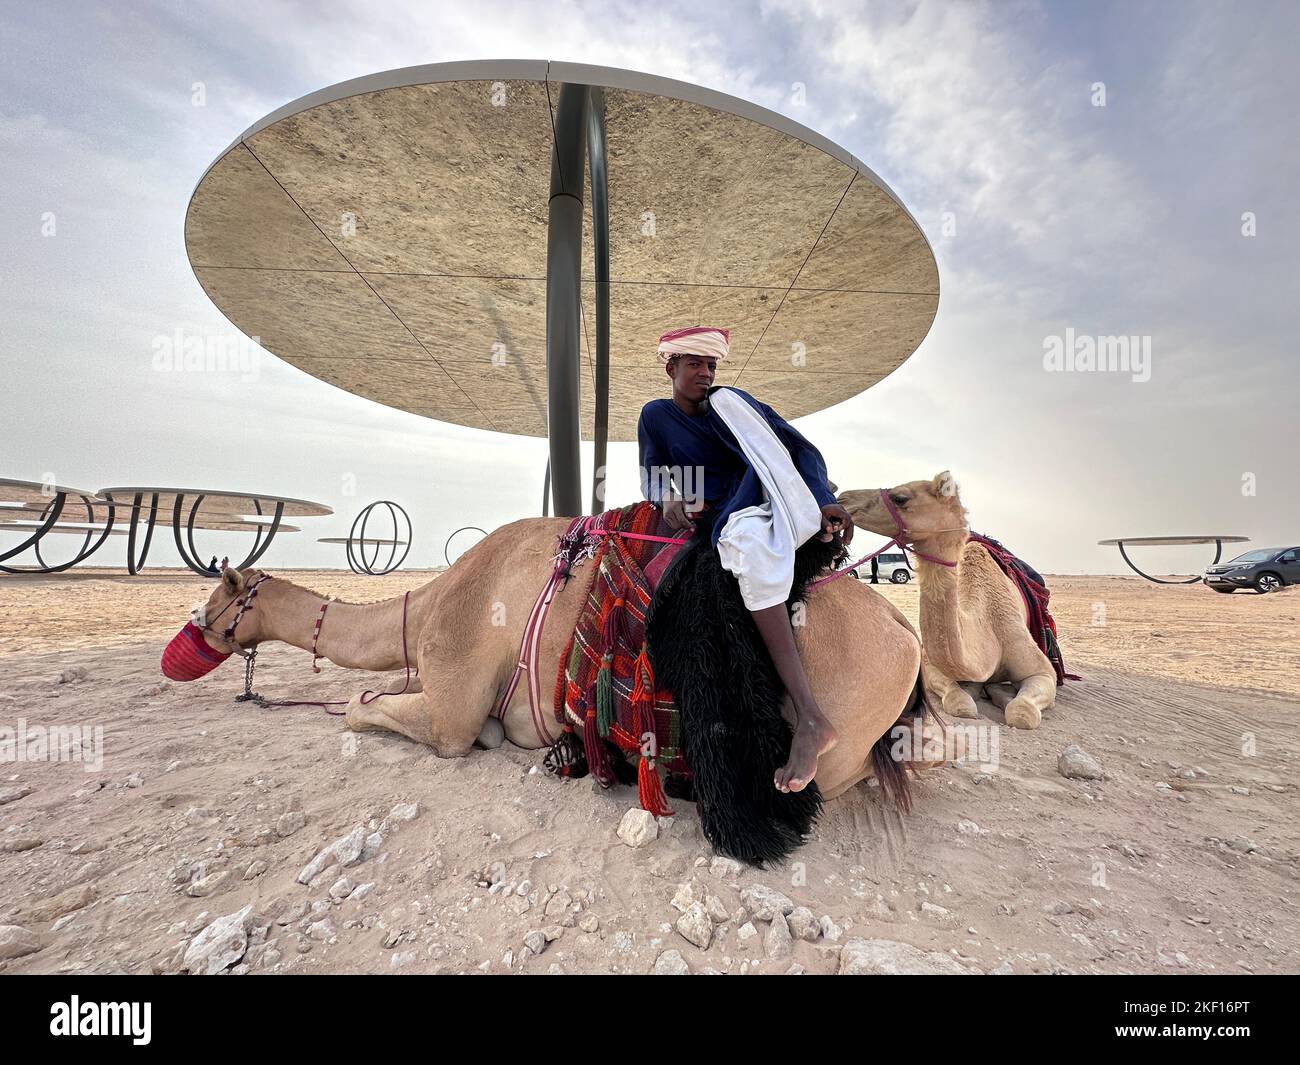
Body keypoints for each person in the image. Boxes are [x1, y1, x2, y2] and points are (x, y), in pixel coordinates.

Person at [637, 326, 854, 794]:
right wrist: (668, 501)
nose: (705, 372)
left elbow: (798, 449)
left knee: (751, 552)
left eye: (710, 365)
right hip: (709, 519)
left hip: (756, 503)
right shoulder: (655, 416)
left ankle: (811, 717)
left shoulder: (731, 402)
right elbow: (652, 475)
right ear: (669, 366)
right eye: (694, 363)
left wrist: (821, 498)